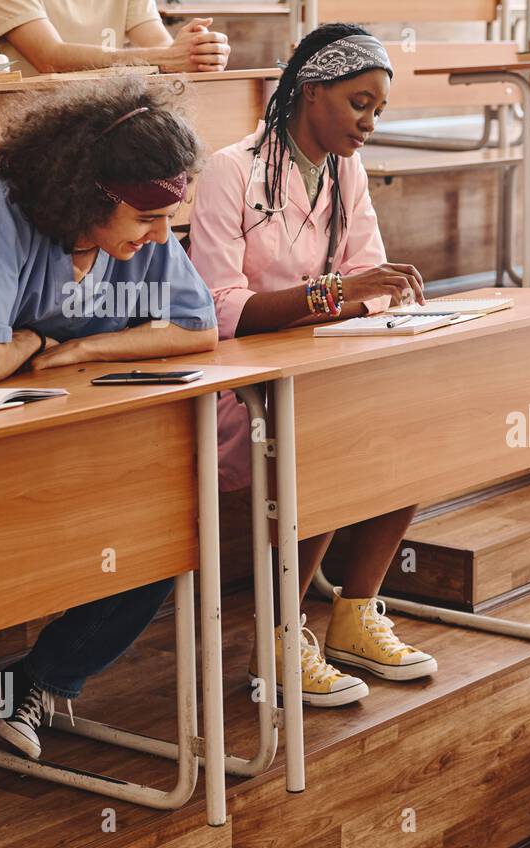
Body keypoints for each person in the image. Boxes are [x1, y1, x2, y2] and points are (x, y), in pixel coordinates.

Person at [0, 77, 219, 759]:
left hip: (59, 430)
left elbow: (198, 328)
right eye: (147, 220)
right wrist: (30, 344)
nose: (163, 235)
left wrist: (81, 346)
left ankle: (36, 680)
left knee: (165, 528)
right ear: (90, 194)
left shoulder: (145, 214)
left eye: (170, 217)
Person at [187, 22, 436, 709]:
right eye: (360, 103)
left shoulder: (344, 172)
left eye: (378, 110)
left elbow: (368, 277)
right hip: (242, 387)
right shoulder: (229, 170)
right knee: (324, 438)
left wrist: (359, 299)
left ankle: (356, 614)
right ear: (311, 90)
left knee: (418, 428)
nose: (369, 123)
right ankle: (276, 636)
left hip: (320, 365)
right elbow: (220, 310)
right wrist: (333, 297)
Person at [0, 0, 230, 76]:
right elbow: (49, 57)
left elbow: (164, 49)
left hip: (99, 121)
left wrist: (198, 51)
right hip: (11, 131)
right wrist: (169, 57)